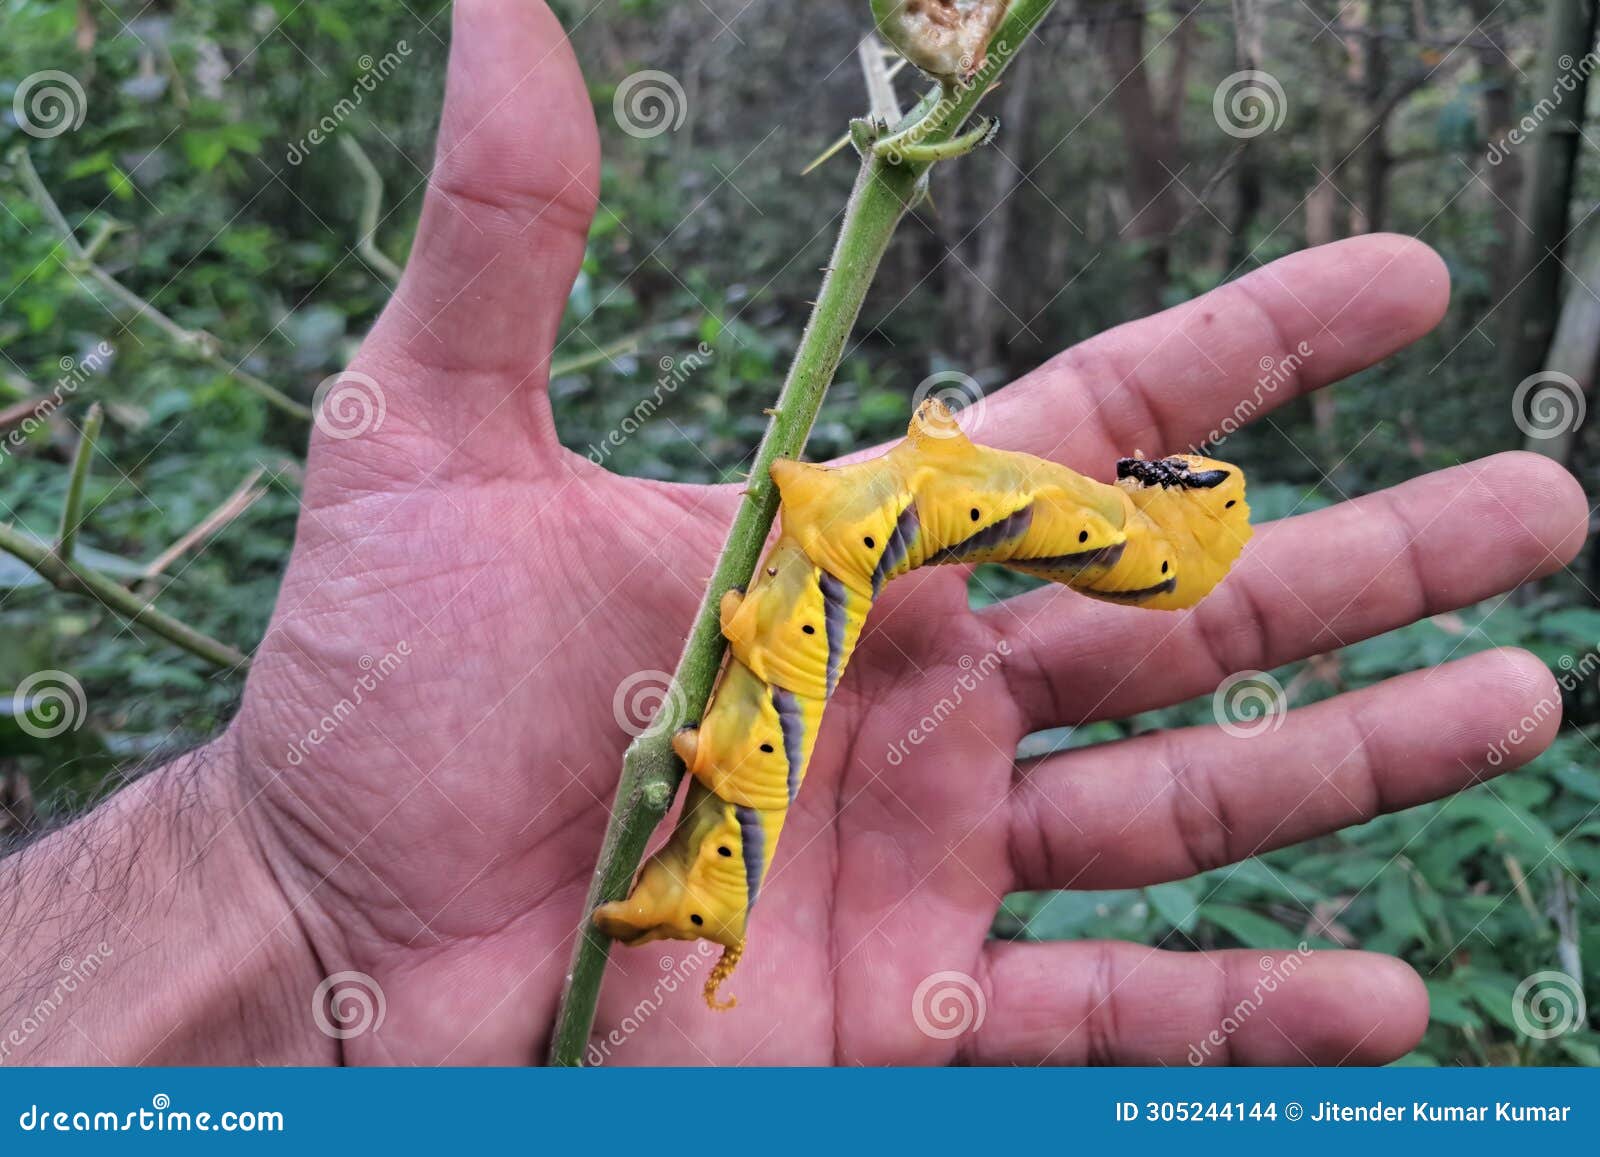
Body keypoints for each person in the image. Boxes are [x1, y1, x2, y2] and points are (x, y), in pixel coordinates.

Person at [1, 0, 1585, 1066]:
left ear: (1142, 520)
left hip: (765, 733)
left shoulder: (959, 509)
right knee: (849, 551)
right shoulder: (994, 513)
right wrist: (287, 895)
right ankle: (695, 886)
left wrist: (273, 914)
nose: (1157, 484)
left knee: (841, 562)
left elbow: (941, 516)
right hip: (812, 633)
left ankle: (702, 887)